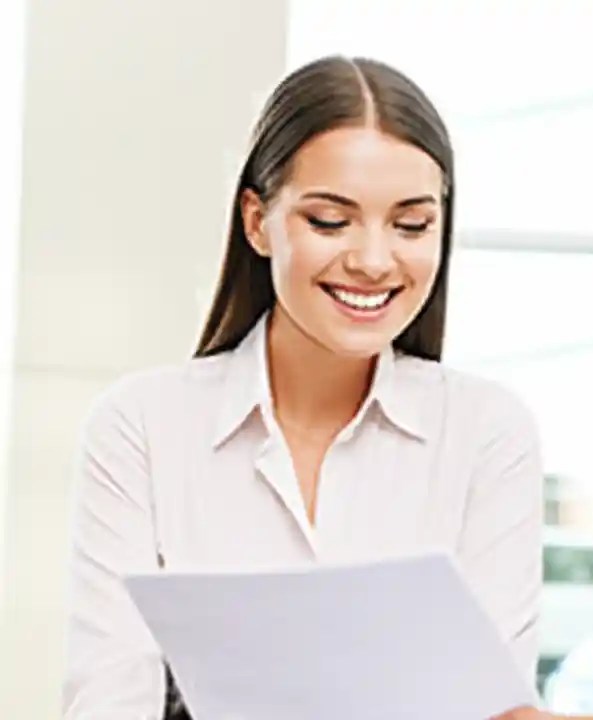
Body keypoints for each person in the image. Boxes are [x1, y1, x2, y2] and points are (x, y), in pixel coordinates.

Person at [62, 55, 543, 719]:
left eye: (411, 225)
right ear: (257, 222)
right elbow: (109, 701)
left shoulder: (487, 431)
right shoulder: (142, 425)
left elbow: (491, 705)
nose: (373, 261)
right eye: (329, 221)